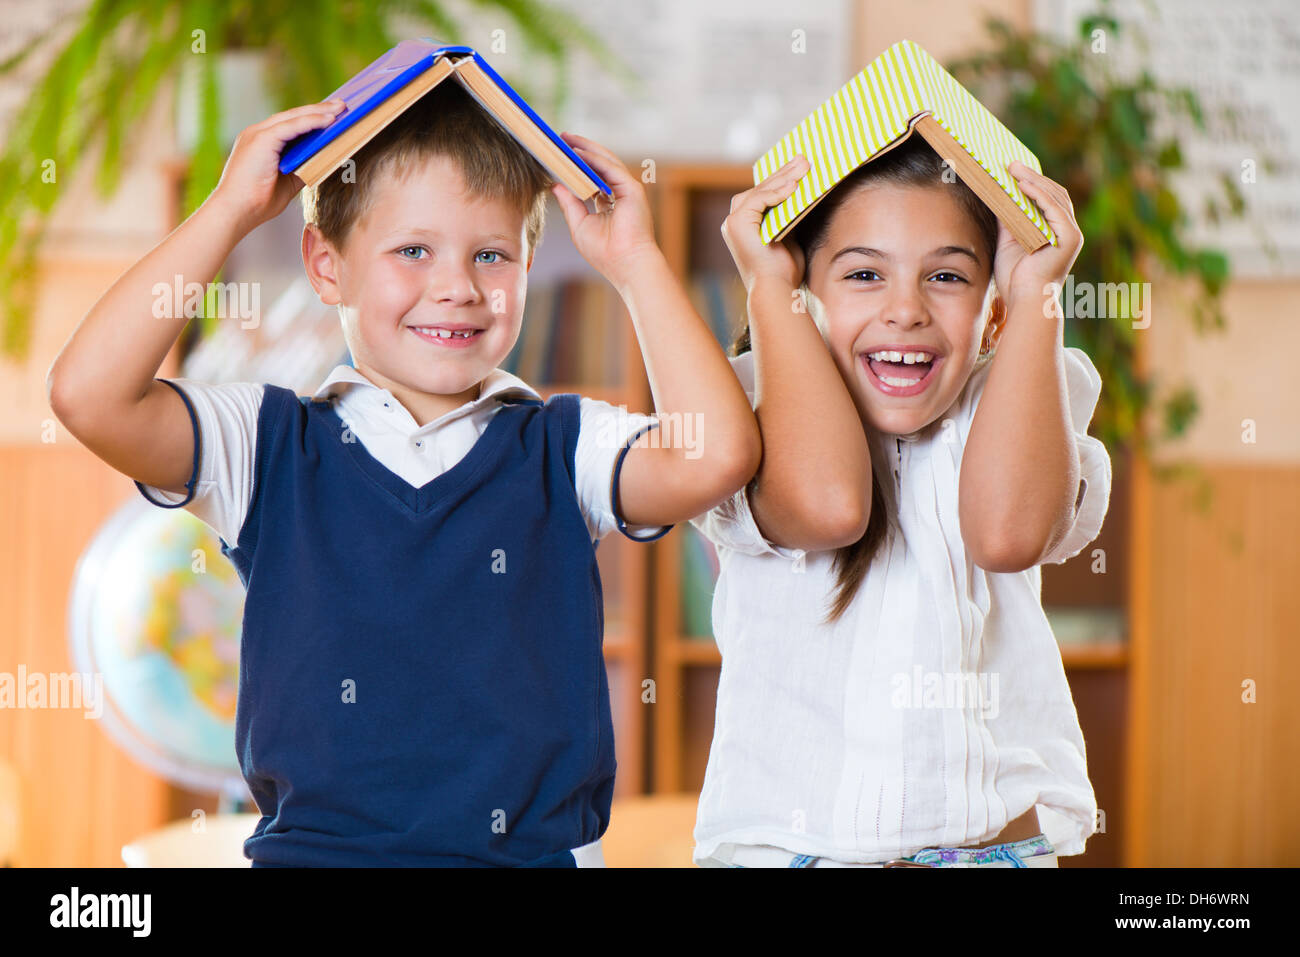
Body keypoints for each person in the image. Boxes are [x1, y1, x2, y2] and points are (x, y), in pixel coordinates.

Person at [46, 81, 760, 867]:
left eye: (491, 254)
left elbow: (716, 455)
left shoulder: (569, 445)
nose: (457, 285)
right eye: (412, 250)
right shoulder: (267, 442)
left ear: (528, 263)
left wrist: (634, 263)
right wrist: (229, 212)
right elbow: (88, 396)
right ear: (327, 266)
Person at [691, 136, 1111, 867]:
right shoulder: (746, 416)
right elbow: (830, 505)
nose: (905, 310)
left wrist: (1039, 286)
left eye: (946, 275)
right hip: (785, 848)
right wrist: (765, 284)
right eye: (863, 274)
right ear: (804, 299)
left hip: (989, 849)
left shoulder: (1018, 404)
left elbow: (1006, 532)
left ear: (996, 312)